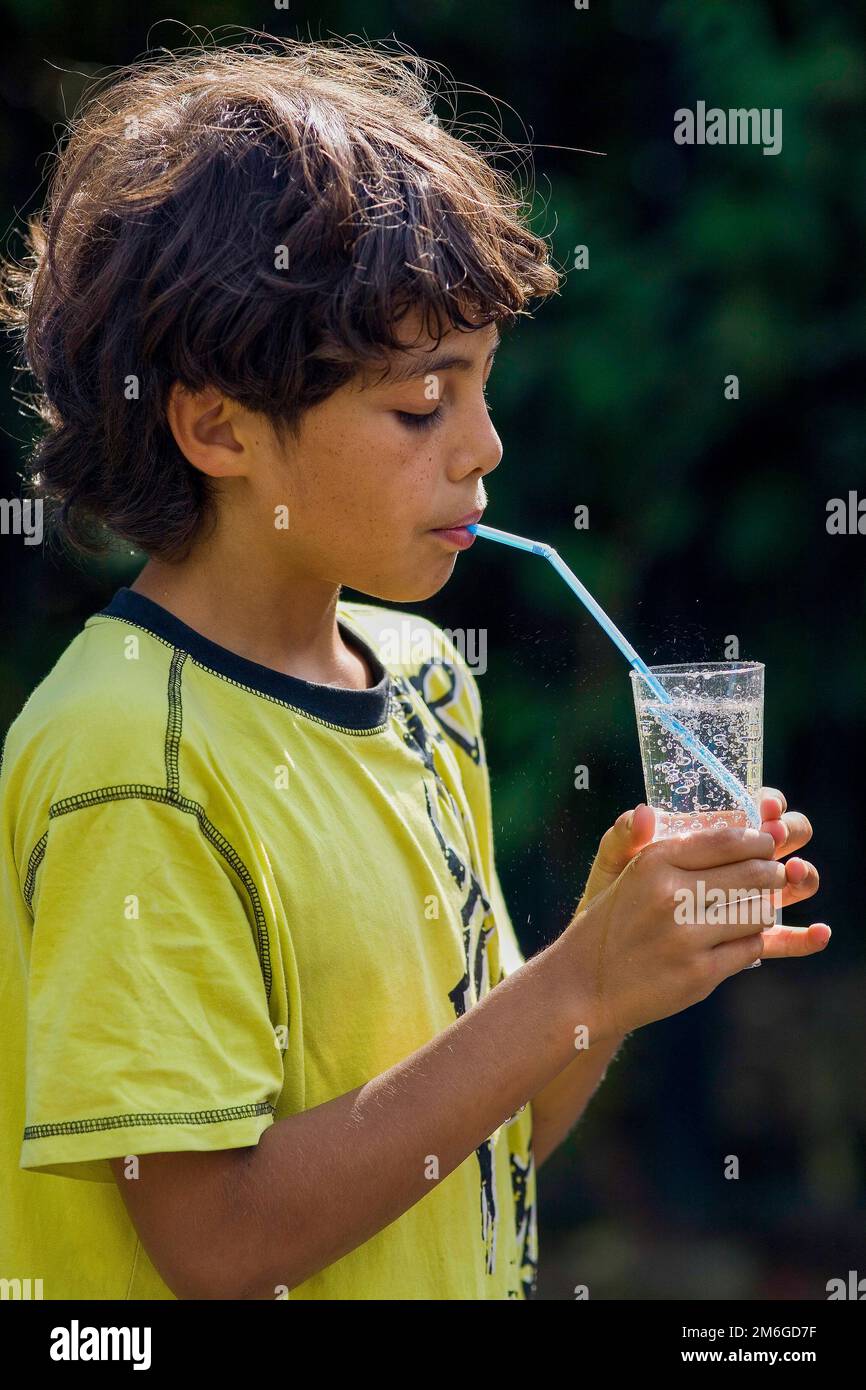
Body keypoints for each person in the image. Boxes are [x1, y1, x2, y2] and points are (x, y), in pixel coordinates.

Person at [0, 35, 828, 1301]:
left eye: (482, 385)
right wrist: (575, 980)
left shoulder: (424, 676)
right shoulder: (133, 757)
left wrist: (603, 974)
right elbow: (219, 1244)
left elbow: (482, 1144)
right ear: (217, 425)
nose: (482, 446)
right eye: (421, 405)